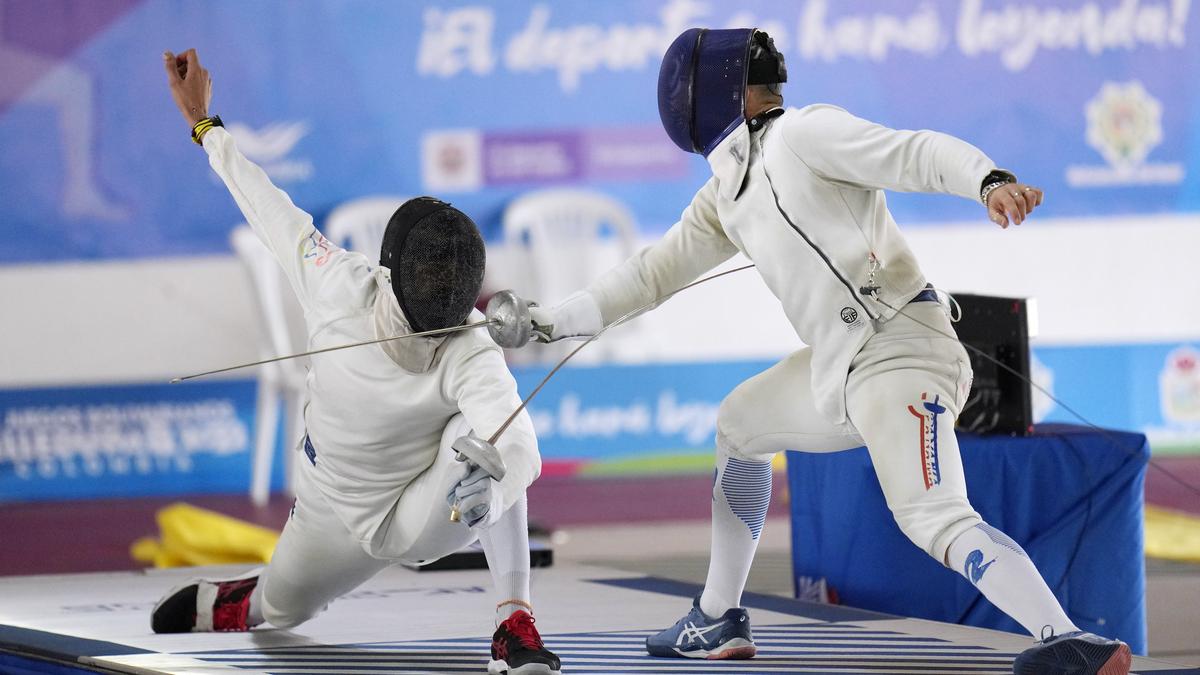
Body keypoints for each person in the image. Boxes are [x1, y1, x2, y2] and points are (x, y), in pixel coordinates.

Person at [525, 28, 1130, 675]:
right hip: (838, 370)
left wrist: (988, 180)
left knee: (934, 515)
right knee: (740, 422)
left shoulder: (803, 135)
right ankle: (716, 615)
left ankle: (1069, 638)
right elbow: (650, 274)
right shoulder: (726, 194)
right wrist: (548, 322)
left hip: (901, 353)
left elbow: (914, 153)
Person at [152, 48, 561, 675]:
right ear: (393, 272)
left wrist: (495, 479)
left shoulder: (470, 344)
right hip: (332, 504)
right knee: (283, 608)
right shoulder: (337, 283)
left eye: (449, 283)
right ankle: (243, 601)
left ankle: (514, 623)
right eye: (427, 276)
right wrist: (205, 127)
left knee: (487, 440)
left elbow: (522, 443)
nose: (438, 294)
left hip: (421, 514)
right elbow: (267, 206)